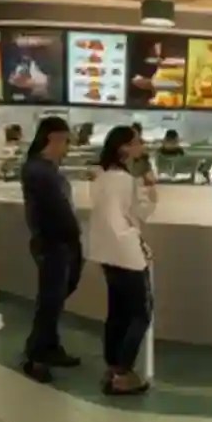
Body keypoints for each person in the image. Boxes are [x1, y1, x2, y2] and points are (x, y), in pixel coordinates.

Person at [89, 125, 158, 395]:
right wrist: (150, 187)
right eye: (137, 142)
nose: (142, 146)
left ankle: (112, 365)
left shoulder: (102, 177)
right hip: (126, 252)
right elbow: (142, 212)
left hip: (105, 252)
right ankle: (122, 371)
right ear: (124, 148)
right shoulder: (127, 181)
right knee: (141, 313)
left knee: (117, 313)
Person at [20, 116, 85, 383]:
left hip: (52, 243)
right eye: (66, 141)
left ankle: (50, 347)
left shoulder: (41, 168)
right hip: (54, 243)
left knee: (54, 299)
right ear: (54, 138)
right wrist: (74, 237)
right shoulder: (41, 171)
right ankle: (35, 355)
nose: (67, 147)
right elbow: (57, 211)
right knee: (50, 301)